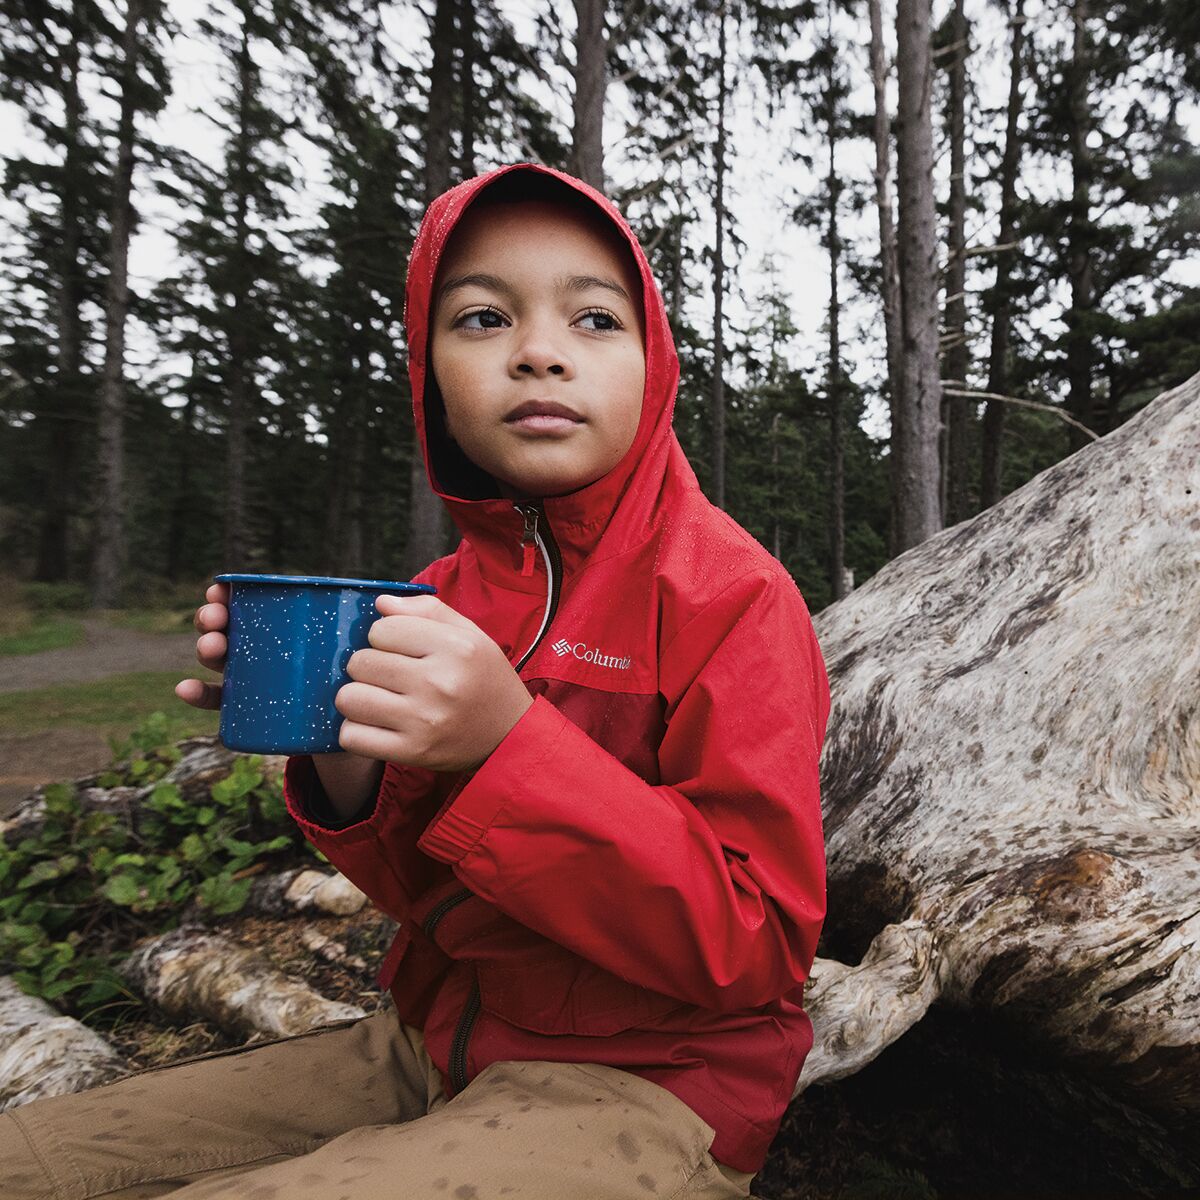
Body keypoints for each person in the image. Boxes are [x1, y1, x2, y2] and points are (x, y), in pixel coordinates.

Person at [0, 163, 830, 1200]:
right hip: (426, 1044)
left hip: (650, 1089)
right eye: (482, 317)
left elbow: (755, 946)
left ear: (655, 363)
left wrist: (506, 744)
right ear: (430, 369)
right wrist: (337, 750)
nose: (537, 350)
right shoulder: (434, 597)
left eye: (595, 320)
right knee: (30, 1162)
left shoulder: (733, 597)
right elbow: (428, 893)